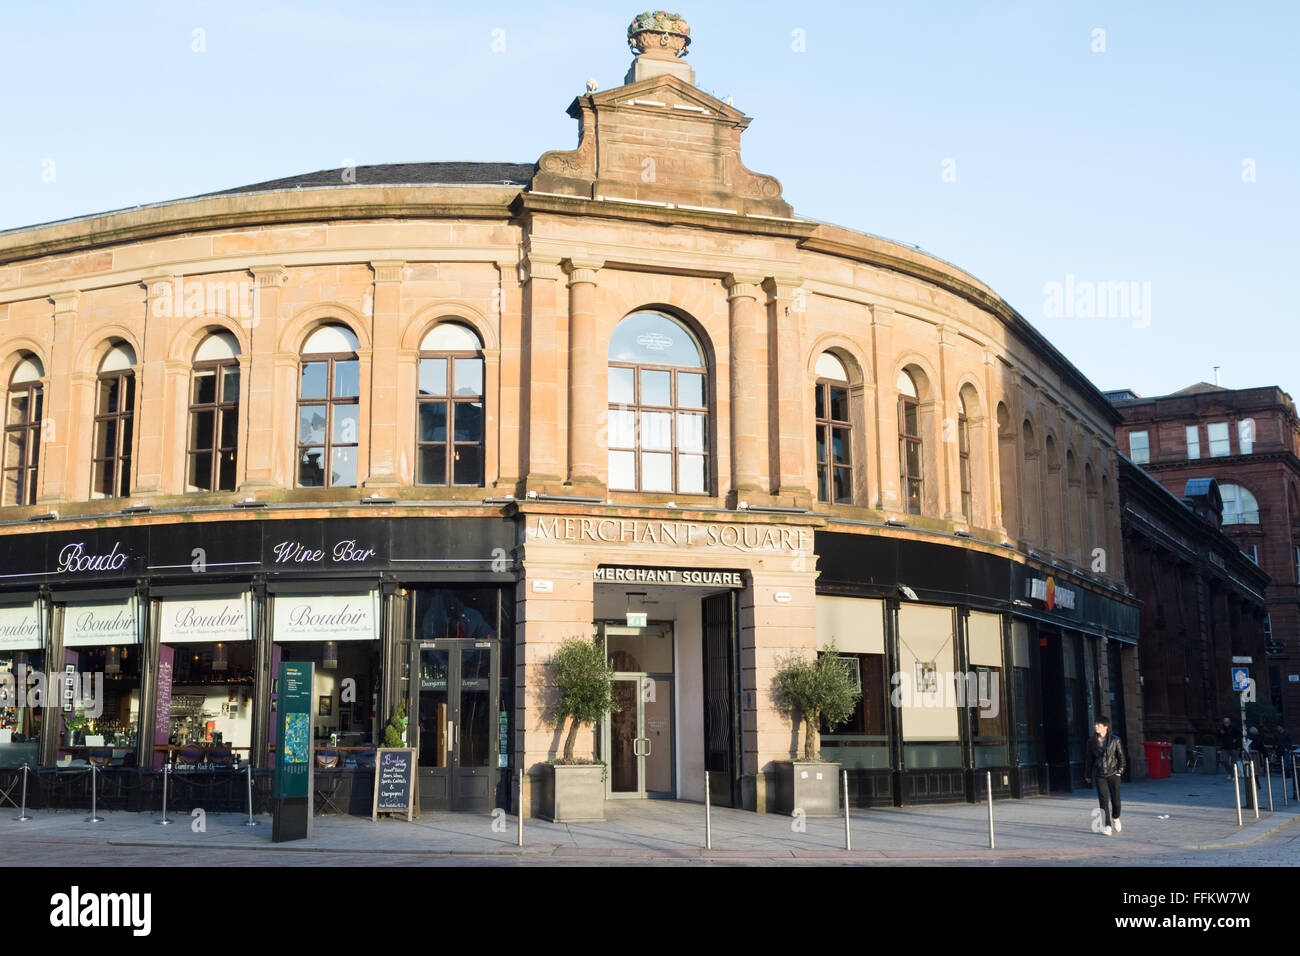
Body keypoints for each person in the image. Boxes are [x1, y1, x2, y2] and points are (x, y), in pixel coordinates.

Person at [1085, 715, 1125, 836]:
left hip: (1113, 773)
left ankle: (1116, 817)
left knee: (1116, 800)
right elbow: (1088, 759)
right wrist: (1087, 774)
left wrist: (1120, 770)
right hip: (1099, 774)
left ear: (1105, 727)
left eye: (1098, 725)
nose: (1096, 726)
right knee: (1103, 800)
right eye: (1095, 724)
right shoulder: (1091, 741)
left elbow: (1121, 756)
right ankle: (1107, 825)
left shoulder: (1115, 740)